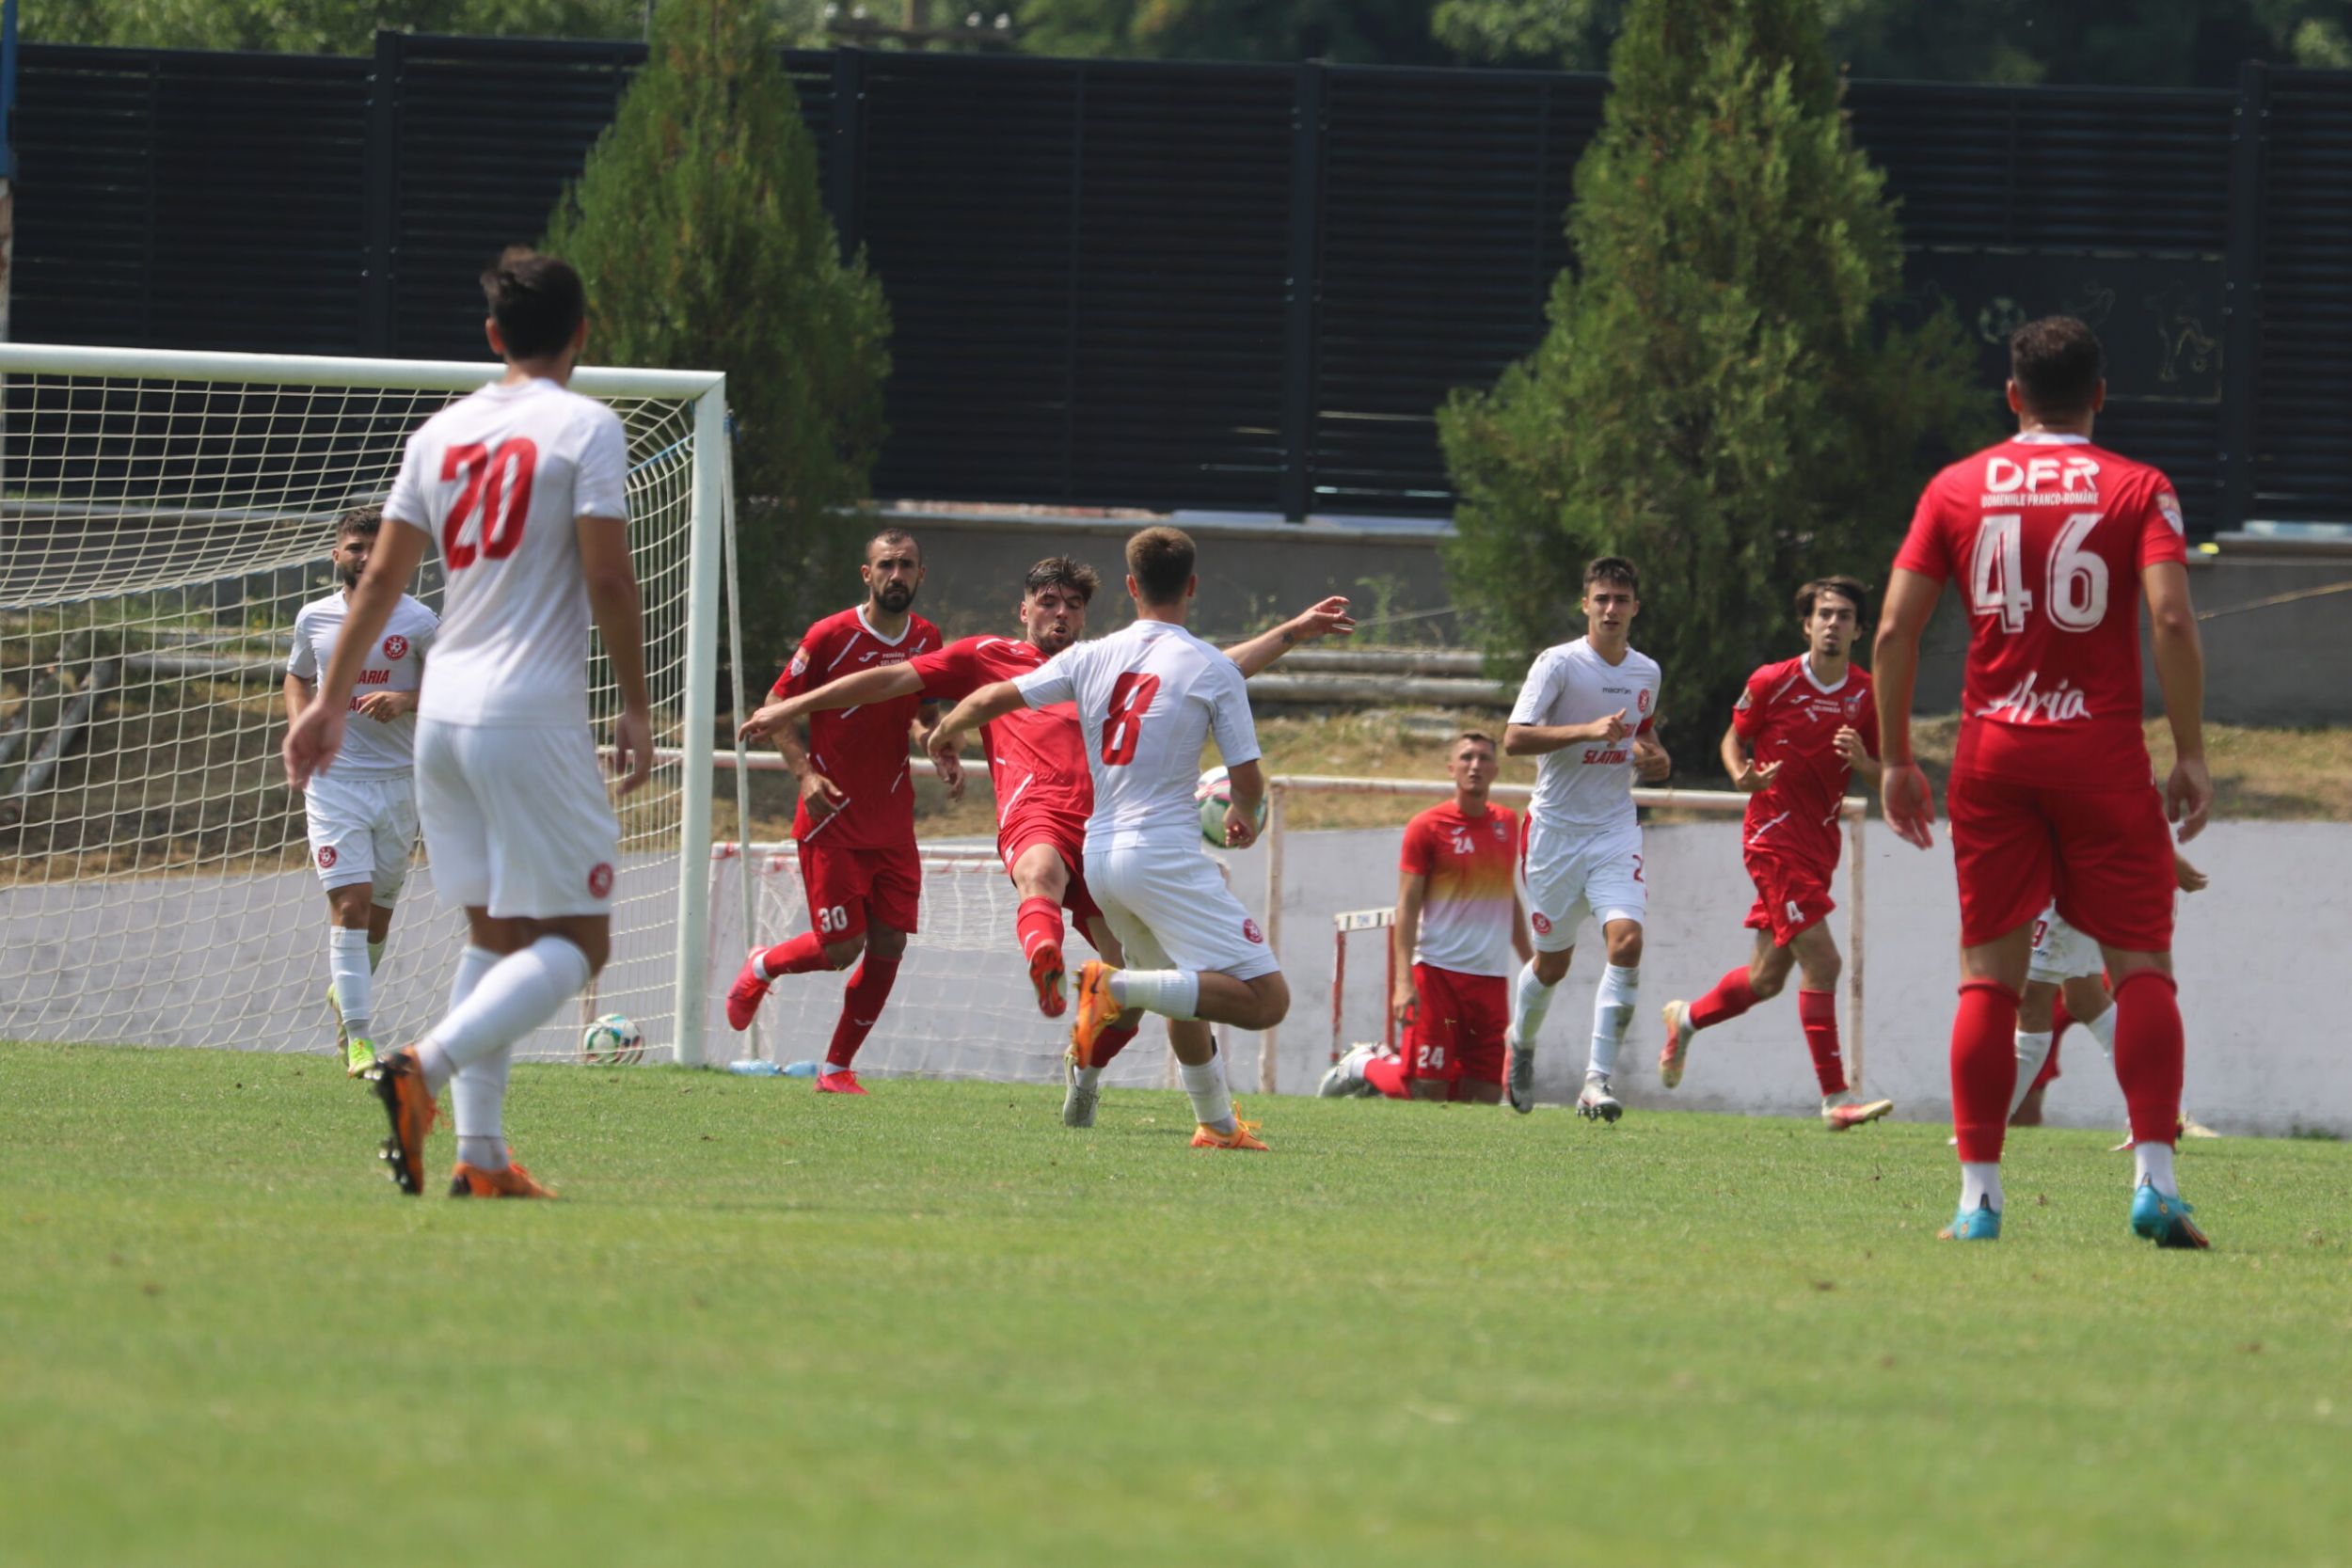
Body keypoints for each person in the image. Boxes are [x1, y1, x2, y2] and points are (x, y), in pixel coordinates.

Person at [284, 246, 653, 1199]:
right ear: (582, 331)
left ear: (492, 335)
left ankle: (480, 1158)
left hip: (439, 717)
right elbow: (609, 577)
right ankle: (424, 1067)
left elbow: (380, 580)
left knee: (492, 933)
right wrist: (637, 701)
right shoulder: (586, 425)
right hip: (527, 712)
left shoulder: (438, 433)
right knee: (580, 939)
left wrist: (324, 703)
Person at [739, 555, 1352, 1127]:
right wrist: (793, 703)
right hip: (1038, 813)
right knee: (1039, 872)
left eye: (1073, 605)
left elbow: (1219, 663)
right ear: (1024, 608)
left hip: (1108, 831)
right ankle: (1048, 963)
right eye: (1049, 601)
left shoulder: (1104, 659)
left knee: (1145, 986)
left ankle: (1087, 1073)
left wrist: (1292, 631)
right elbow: (885, 680)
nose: (1061, 614)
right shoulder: (987, 653)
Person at [1873, 314, 2212, 1246]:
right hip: (2099, 752)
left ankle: (1976, 1199)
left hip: (1994, 752)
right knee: (2140, 963)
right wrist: (2187, 750)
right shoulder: (2139, 486)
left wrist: (1897, 756)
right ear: (2100, 395)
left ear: (2012, 396)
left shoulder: (1955, 485)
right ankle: (2155, 1181)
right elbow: (2172, 622)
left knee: (1987, 976)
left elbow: (1895, 630)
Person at [923, 526, 1287, 1150]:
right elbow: (1247, 778)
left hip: (1101, 854)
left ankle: (1217, 1124)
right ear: (1192, 586)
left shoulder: (1094, 656)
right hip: (1163, 854)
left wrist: (943, 733)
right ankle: (1112, 984)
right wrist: (1246, 812)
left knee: (1181, 983)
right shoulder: (1207, 664)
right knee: (1264, 1000)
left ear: (1129, 587)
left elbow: (990, 696)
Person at [1657, 578, 1894, 1131]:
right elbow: (1733, 737)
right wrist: (1741, 773)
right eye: (1824, 614)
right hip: (1772, 841)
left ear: (1859, 629)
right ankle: (1836, 1099)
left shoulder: (1867, 694)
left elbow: (1888, 772)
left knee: (1766, 979)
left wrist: (1864, 761)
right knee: (1826, 962)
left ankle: (1686, 1018)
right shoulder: (1773, 681)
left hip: (1819, 847)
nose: (1833, 623)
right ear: (1806, 623)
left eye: (1844, 616)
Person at [723, 530, 946, 1096]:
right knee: (840, 950)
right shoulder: (829, 635)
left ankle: (837, 1068)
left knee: (890, 942)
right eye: (887, 565)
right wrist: (805, 775)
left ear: (922, 575)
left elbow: (922, 710)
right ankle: (763, 965)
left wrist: (934, 743)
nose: (897, 575)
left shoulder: (928, 638)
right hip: (833, 819)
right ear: (866, 574)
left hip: (893, 820)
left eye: (908, 566)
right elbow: (776, 707)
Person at [1500, 557, 1672, 1121]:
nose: (1611, 609)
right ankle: (1520, 1045)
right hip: (1553, 835)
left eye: (1621, 600)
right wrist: (1587, 730)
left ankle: (1596, 1082)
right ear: (1585, 605)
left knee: (1626, 943)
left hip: (1613, 830)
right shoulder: (1559, 664)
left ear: (1635, 608)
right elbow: (1514, 740)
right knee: (1552, 966)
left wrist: (1655, 759)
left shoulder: (1646, 672)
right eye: (1601, 599)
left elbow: (1643, 737)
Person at [283, 504, 437, 1079]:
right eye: (355, 547)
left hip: (399, 783)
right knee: (349, 905)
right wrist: (302, 725)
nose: (366, 558)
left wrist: (406, 699)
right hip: (335, 782)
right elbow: (298, 676)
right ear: (337, 554)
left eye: (377, 549)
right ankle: (360, 1041)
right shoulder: (314, 619)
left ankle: (345, 997)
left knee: (376, 919)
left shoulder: (419, 621)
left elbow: (452, 682)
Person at [1320, 732, 1530, 1104]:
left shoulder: (1508, 824)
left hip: (1490, 981)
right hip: (1437, 976)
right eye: (1466, 758)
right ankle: (1364, 1065)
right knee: (1425, 1090)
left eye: (1484, 758)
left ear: (1496, 769)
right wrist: (1404, 983)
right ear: (1452, 768)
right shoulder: (1427, 826)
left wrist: (1531, 960)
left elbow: (1506, 893)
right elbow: (1407, 905)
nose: (1475, 766)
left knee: (1482, 1094)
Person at [2010, 850, 2215, 1141]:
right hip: (2089, 867)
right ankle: (2161, 1115)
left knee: (2035, 1001)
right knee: (2085, 998)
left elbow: (2107, 805)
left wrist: (2163, 853)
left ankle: (1985, 1126)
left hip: (2077, 870)